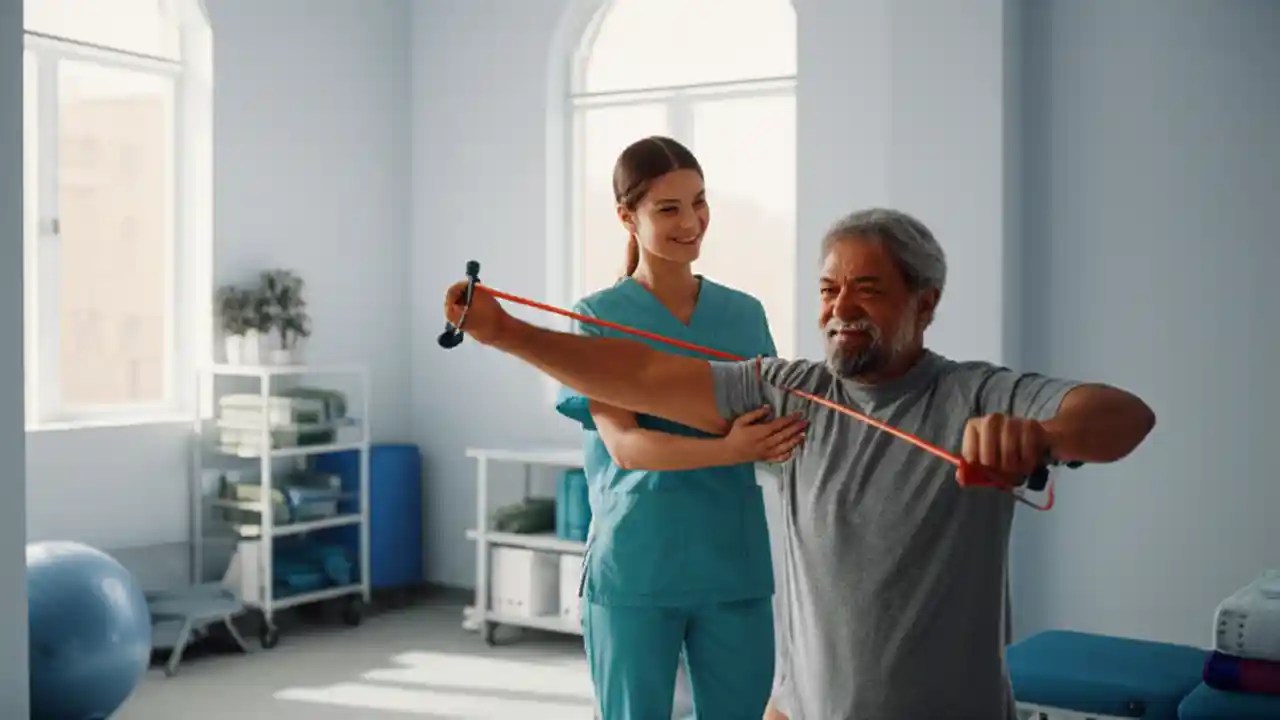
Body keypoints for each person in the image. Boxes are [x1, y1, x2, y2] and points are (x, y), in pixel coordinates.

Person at [442, 207, 1157, 719]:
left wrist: (1034, 436)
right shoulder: (789, 392)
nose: (841, 307)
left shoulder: (978, 393)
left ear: (925, 302)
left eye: (867, 289)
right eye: (828, 289)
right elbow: (641, 376)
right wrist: (506, 331)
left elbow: (1121, 416)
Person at [554, 135, 806, 720]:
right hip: (637, 565)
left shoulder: (744, 314)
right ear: (626, 216)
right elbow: (626, 447)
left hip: (732, 565)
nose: (691, 221)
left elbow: (772, 425)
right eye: (668, 208)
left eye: (699, 202)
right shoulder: (596, 320)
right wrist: (731, 447)